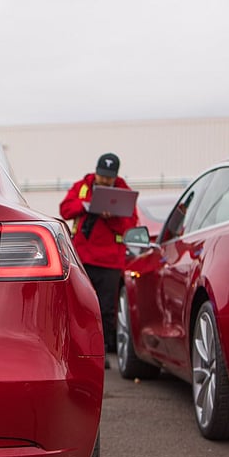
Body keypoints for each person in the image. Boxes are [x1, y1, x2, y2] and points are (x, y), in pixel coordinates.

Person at [59, 153, 139, 365]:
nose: (104, 180)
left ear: (116, 176)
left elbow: (130, 225)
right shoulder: (82, 187)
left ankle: (99, 354)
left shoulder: (124, 193)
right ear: (96, 171)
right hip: (83, 258)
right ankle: (77, 350)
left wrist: (112, 217)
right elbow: (65, 209)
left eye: (108, 178)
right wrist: (87, 205)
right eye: (102, 176)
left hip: (110, 261)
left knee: (105, 310)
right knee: (80, 306)